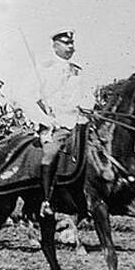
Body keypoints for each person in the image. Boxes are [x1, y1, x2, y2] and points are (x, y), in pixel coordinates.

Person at [35, 29, 94, 218]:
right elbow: (29, 97)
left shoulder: (78, 71)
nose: (71, 47)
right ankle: (46, 200)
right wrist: (46, 119)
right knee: (51, 154)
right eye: (66, 43)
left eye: (72, 43)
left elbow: (88, 95)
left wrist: (87, 106)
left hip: (79, 123)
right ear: (55, 46)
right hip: (55, 125)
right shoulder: (43, 69)